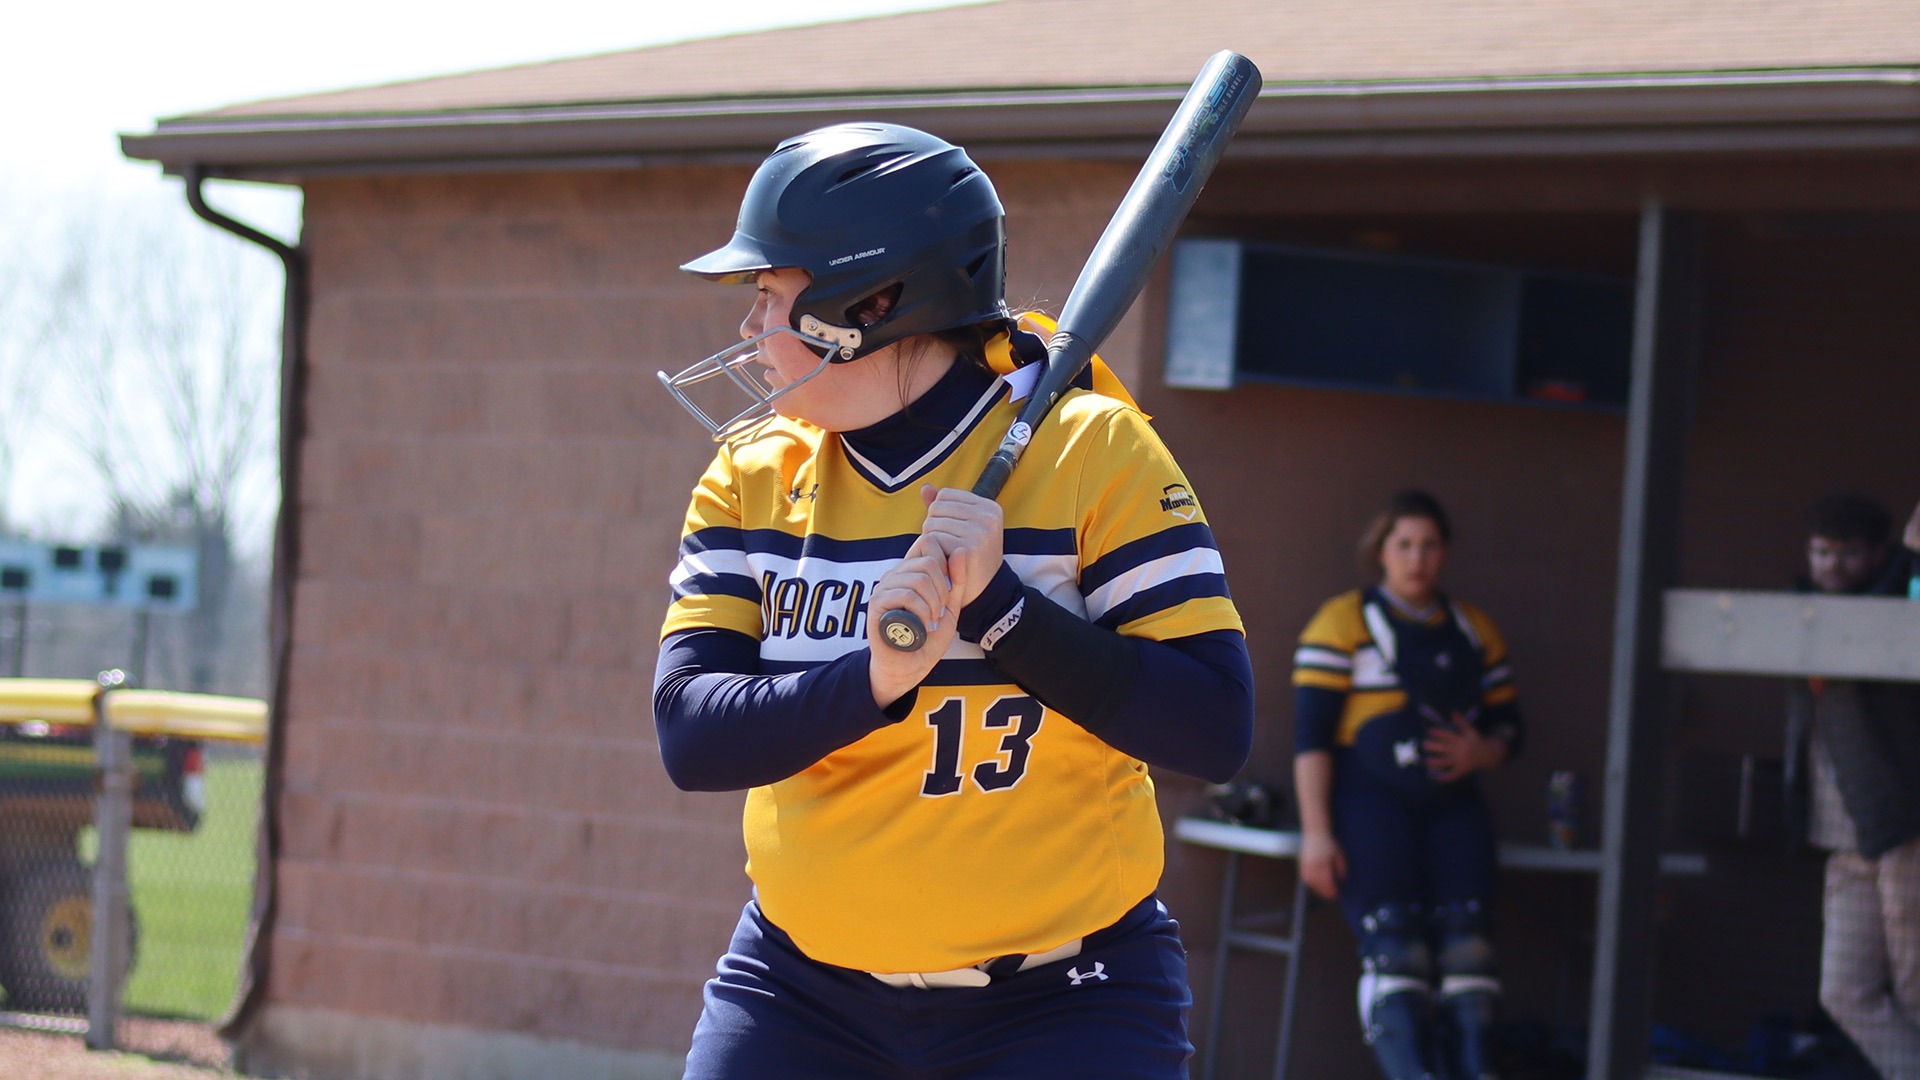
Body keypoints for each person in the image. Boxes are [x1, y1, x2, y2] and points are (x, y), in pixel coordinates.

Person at [651, 121, 1254, 1079]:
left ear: (875, 301)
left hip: (1061, 1003)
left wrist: (1006, 613)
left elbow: (1214, 728)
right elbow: (692, 735)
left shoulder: (1091, 450)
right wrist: (875, 680)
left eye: (771, 294)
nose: (749, 329)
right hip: (802, 991)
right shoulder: (754, 473)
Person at [1290, 490, 1523, 1080]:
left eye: (1429, 545)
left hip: (1454, 811)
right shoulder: (1343, 621)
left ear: (1445, 553)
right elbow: (1310, 738)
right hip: (1371, 809)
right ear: (1381, 551)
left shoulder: (1474, 630)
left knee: (1470, 954)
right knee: (1397, 955)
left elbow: (1512, 727)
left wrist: (1484, 750)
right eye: (1404, 545)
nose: (1416, 558)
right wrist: (1317, 834)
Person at [1786, 493, 1920, 1080]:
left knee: (1917, 991)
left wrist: (1913, 558)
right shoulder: (1801, 610)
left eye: (1849, 554)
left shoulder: (1902, 600)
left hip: (1903, 830)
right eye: (1821, 552)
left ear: (1881, 554)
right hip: (1842, 838)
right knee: (1844, 991)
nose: (1832, 566)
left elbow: (1892, 604)